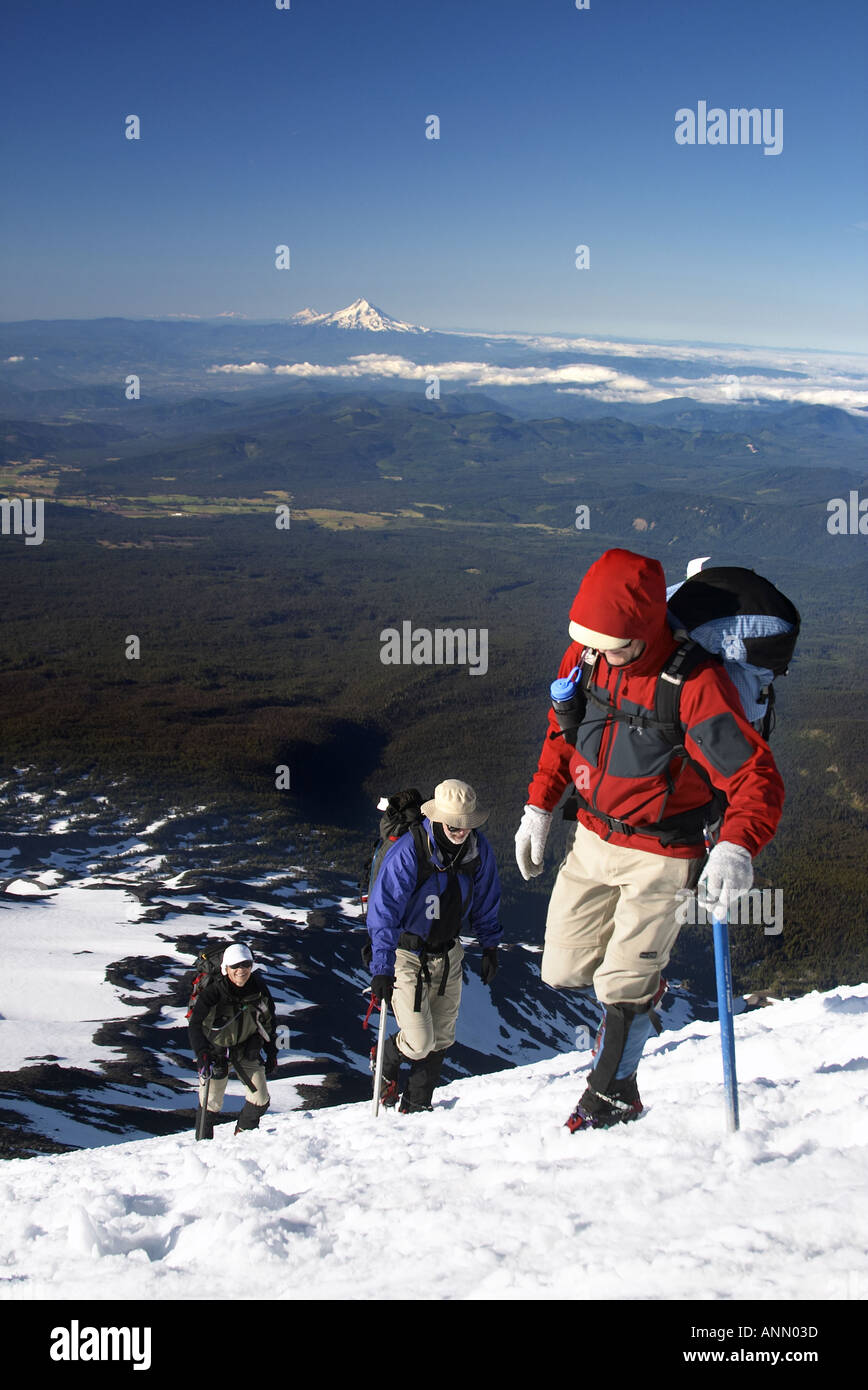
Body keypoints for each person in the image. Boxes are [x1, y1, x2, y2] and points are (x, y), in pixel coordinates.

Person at [515, 548, 784, 1131]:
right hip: (590, 836)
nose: (599, 654)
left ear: (641, 629)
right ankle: (641, 996)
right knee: (561, 969)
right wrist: (539, 805)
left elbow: (754, 779)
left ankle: (613, 1096)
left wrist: (737, 847)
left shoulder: (694, 682)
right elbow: (562, 734)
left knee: (620, 983)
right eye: (592, 642)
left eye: (613, 645)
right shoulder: (586, 656)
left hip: (663, 853)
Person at [367, 779, 502, 1112]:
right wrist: (382, 968)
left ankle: (417, 1107)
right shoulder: (409, 851)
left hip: (449, 953)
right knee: (419, 1040)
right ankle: (386, 1057)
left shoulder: (478, 849)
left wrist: (490, 946)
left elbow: (486, 899)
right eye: (454, 823)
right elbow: (384, 912)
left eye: (466, 823)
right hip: (407, 954)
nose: (460, 830)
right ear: (439, 817)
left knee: (441, 1038)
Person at [188, 943, 278, 1138]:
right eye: (235, 966)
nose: (241, 970)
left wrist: (272, 1053)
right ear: (225, 968)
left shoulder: (259, 989)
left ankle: (244, 1138)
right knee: (210, 1104)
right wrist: (203, 1054)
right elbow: (195, 1024)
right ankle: (204, 1148)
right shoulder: (213, 992)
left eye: (246, 965)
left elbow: (270, 1022)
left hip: (247, 1049)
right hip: (215, 1053)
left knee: (260, 1099)